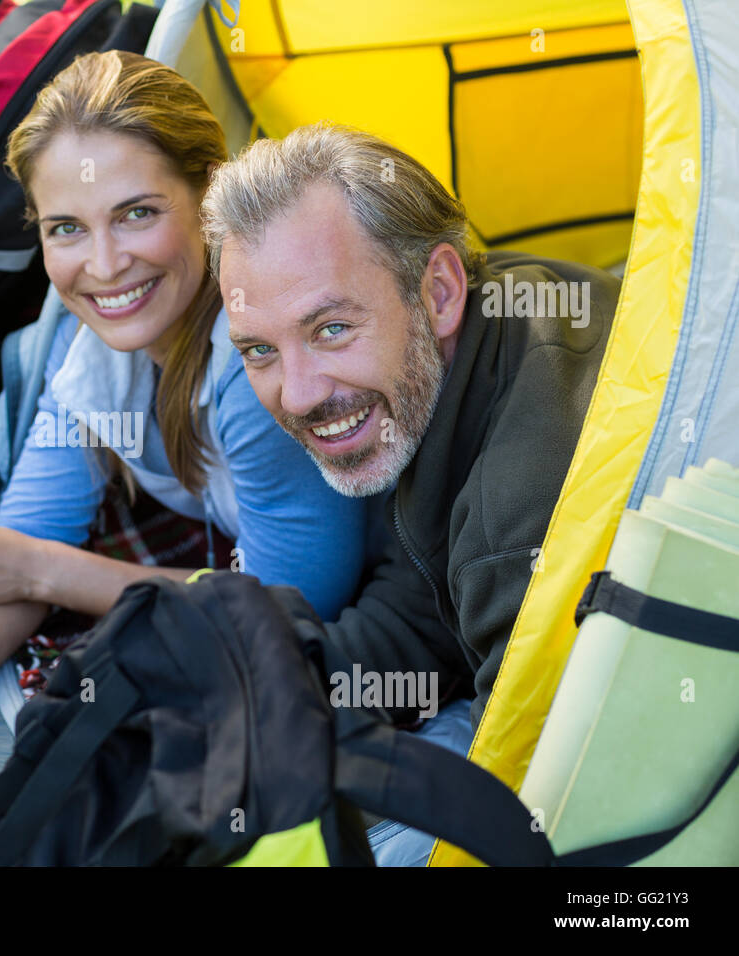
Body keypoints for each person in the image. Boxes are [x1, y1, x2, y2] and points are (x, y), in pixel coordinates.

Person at [0, 55, 368, 783]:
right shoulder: (90, 342)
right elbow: (17, 547)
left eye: (137, 214)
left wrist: (47, 570)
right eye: (67, 228)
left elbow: (291, 609)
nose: (104, 265)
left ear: (209, 195)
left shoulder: (256, 357)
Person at [200, 121, 621, 864]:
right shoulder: (486, 327)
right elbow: (415, 618)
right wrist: (228, 699)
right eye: (260, 349)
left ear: (439, 291)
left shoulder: (516, 528)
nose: (298, 395)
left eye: (331, 328)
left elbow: (557, 814)